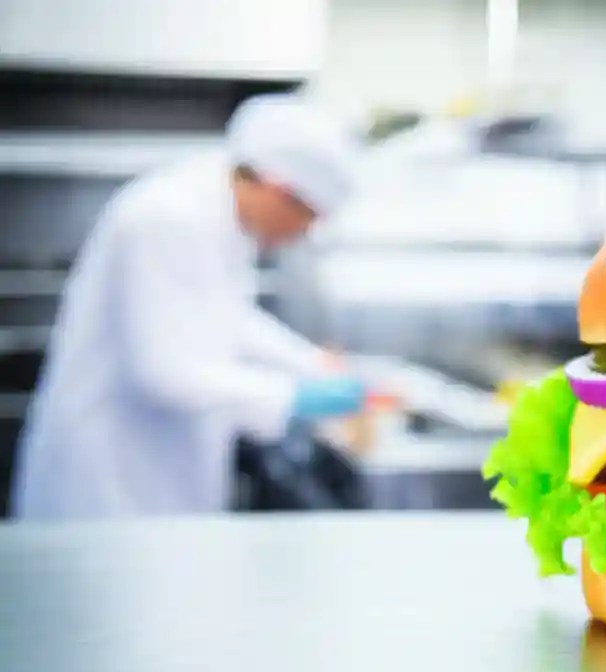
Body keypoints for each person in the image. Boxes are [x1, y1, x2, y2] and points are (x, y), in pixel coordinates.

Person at [12, 95, 366, 520]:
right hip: (105, 482)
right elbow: (162, 373)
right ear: (278, 189)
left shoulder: (219, 215)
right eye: (308, 217)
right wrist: (294, 397)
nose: (302, 234)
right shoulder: (164, 216)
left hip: (163, 475)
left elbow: (225, 316)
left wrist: (310, 363)